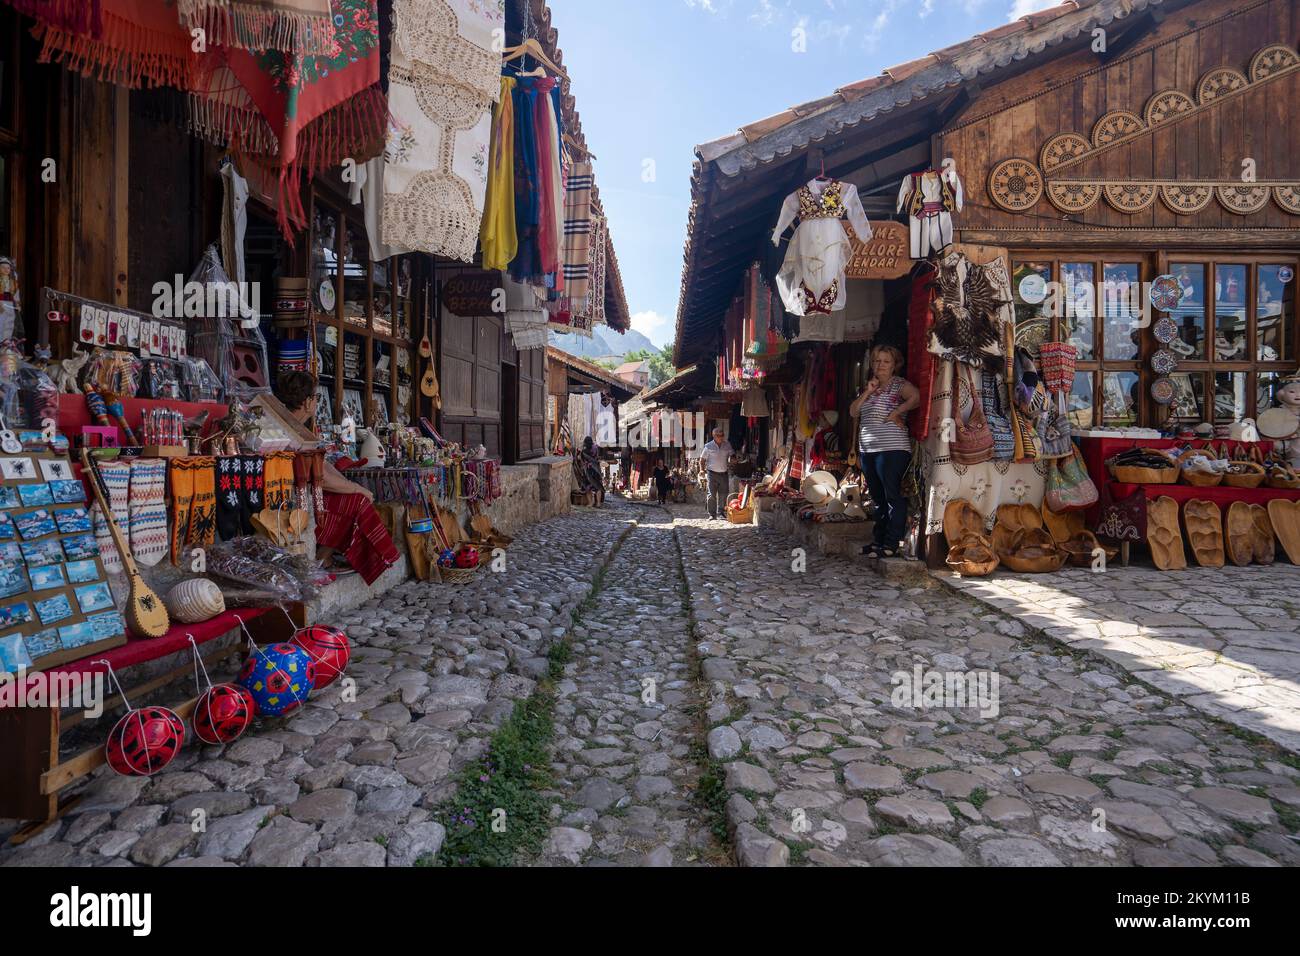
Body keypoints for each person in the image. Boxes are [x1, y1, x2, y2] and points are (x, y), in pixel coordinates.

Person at [277, 371, 399, 584]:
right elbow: (321, 477)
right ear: (306, 402)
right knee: (356, 501)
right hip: (298, 499)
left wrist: (350, 484)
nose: (316, 402)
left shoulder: (299, 428)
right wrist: (357, 489)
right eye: (315, 398)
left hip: (311, 491)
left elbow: (323, 464)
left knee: (355, 496)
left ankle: (328, 556)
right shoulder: (290, 431)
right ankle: (322, 559)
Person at [849, 345, 918, 558]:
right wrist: (868, 392)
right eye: (877, 361)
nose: (881, 365)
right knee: (877, 497)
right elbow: (853, 412)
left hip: (892, 448)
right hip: (869, 449)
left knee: (892, 496)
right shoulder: (869, 388)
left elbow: (916, 397)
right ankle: (878, 541)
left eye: (886, 361)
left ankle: (891, 542)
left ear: (894, 364)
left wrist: (897, 412)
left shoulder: (899, 385)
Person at [700, 426, 734, 520]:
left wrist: (733, 459)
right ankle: (712, 514)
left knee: (724, 493)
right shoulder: (708, 446)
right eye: (719, 435)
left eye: (722, 435)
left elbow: (732, 455)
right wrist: (702, 470)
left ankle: (721, 512)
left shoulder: (727, 445)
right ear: (714, 436)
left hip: (723, 473)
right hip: (712, 473)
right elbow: (702, 460)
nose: (721, 437)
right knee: (711, 494)